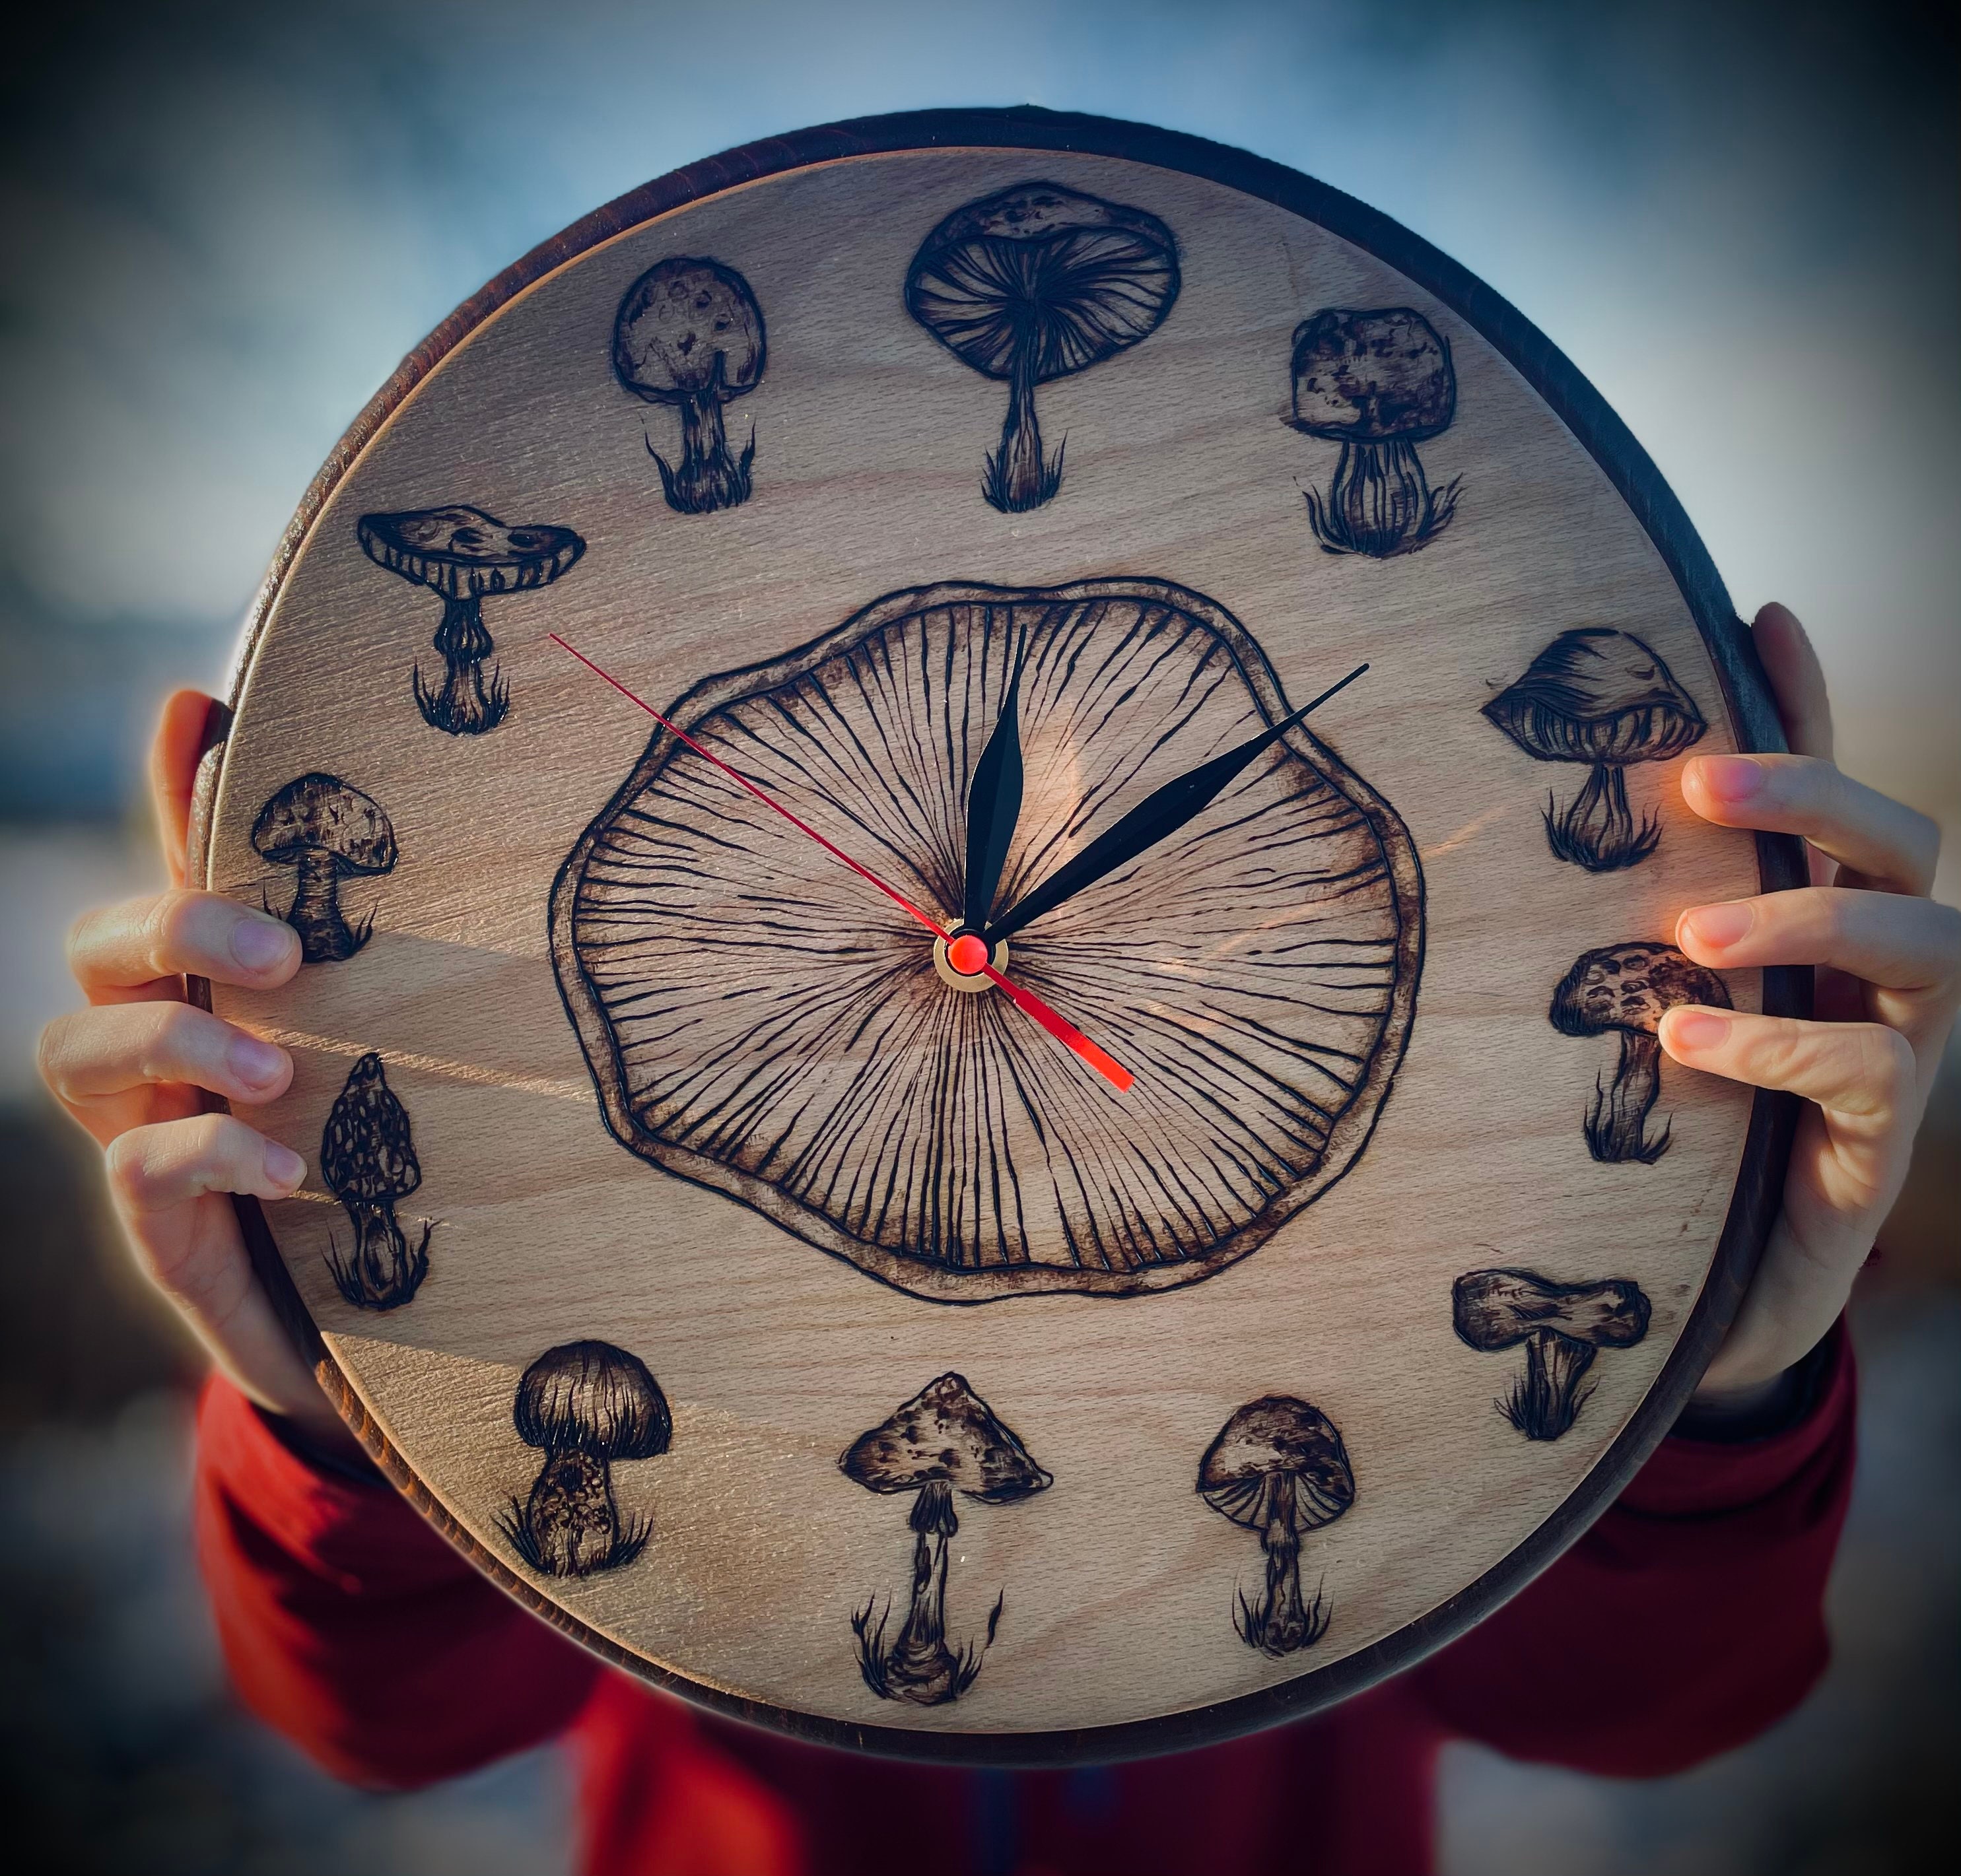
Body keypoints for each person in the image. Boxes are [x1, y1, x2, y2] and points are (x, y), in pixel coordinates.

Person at [37, 604, 1958, 1875]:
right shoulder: (656, 1286)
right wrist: (333, 1408)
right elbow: (389, 1724)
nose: (980, 942)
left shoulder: (1364, 1302)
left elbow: (1639, 1713)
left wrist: (1728, 1367)